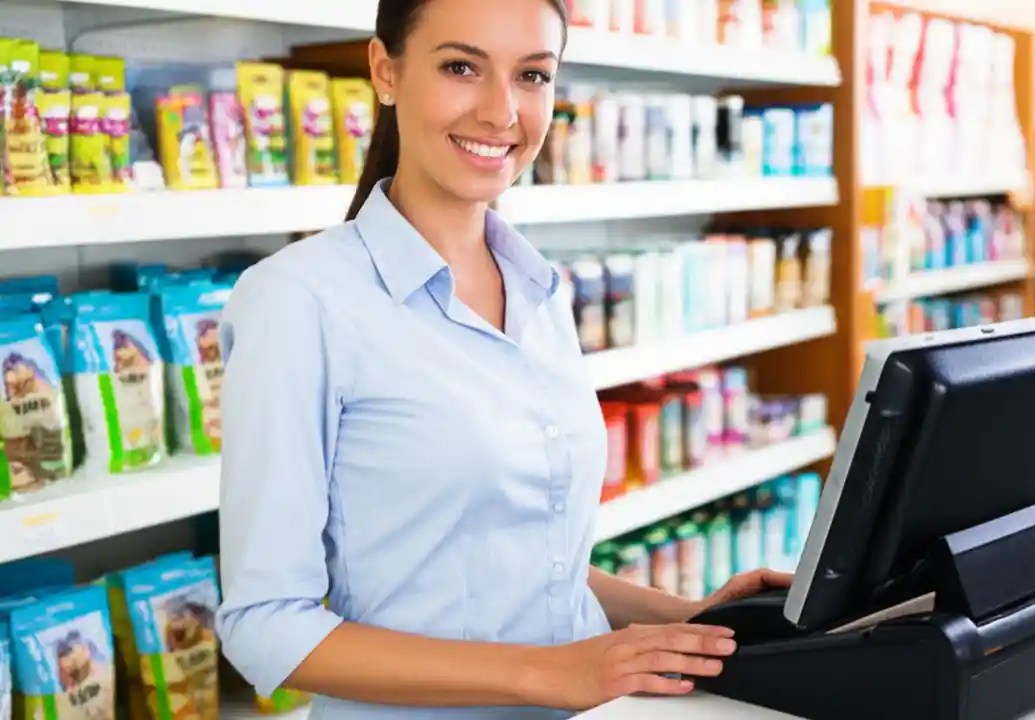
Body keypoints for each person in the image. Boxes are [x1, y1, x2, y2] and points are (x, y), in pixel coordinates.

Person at [214, 0, 790, 717]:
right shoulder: (297, 301)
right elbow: (267, 625)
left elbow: (528, 570)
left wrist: (690, 618)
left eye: (533, 76)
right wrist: (550, 674)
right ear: (385, 71)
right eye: (462, 67)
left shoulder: (539, 288)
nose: (501, 112)